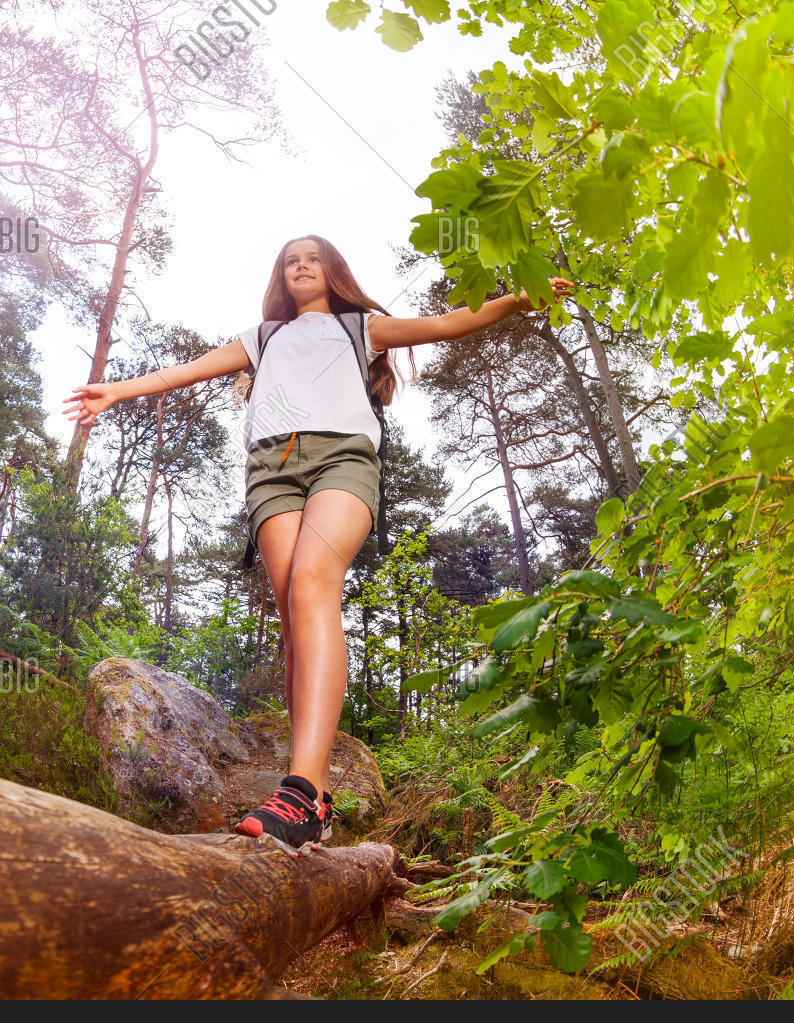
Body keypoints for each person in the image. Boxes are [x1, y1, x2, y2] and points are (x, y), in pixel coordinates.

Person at [64, 235, 575, 854]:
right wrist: (117, 390)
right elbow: (188, 369)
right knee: (293, 617)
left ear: (333, 272)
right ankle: (315, 798)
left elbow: (447, 323)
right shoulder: (265, 336)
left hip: (344, 458)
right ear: (282, 277)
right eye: (289, 260)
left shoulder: (362, 327)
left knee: (313, 584)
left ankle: (301, 790)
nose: (300, 266)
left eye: (312, 258)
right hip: (270, 466)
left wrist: (517, 301)